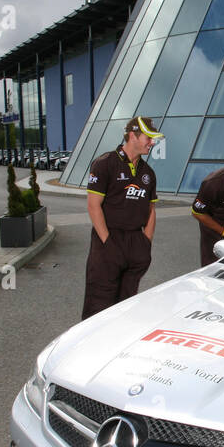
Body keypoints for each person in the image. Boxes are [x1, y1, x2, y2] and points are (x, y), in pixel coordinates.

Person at [81, 116, 161, 320]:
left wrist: (146, 242)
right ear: (133, 136)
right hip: (109, 240)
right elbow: (93, 206)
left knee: (126, 306)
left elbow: (151, 210)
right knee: (99, 304)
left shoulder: (148, 173)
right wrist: (108, 242)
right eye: (148, 138)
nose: (152, 143)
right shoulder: (104, 163)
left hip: (135, 241)